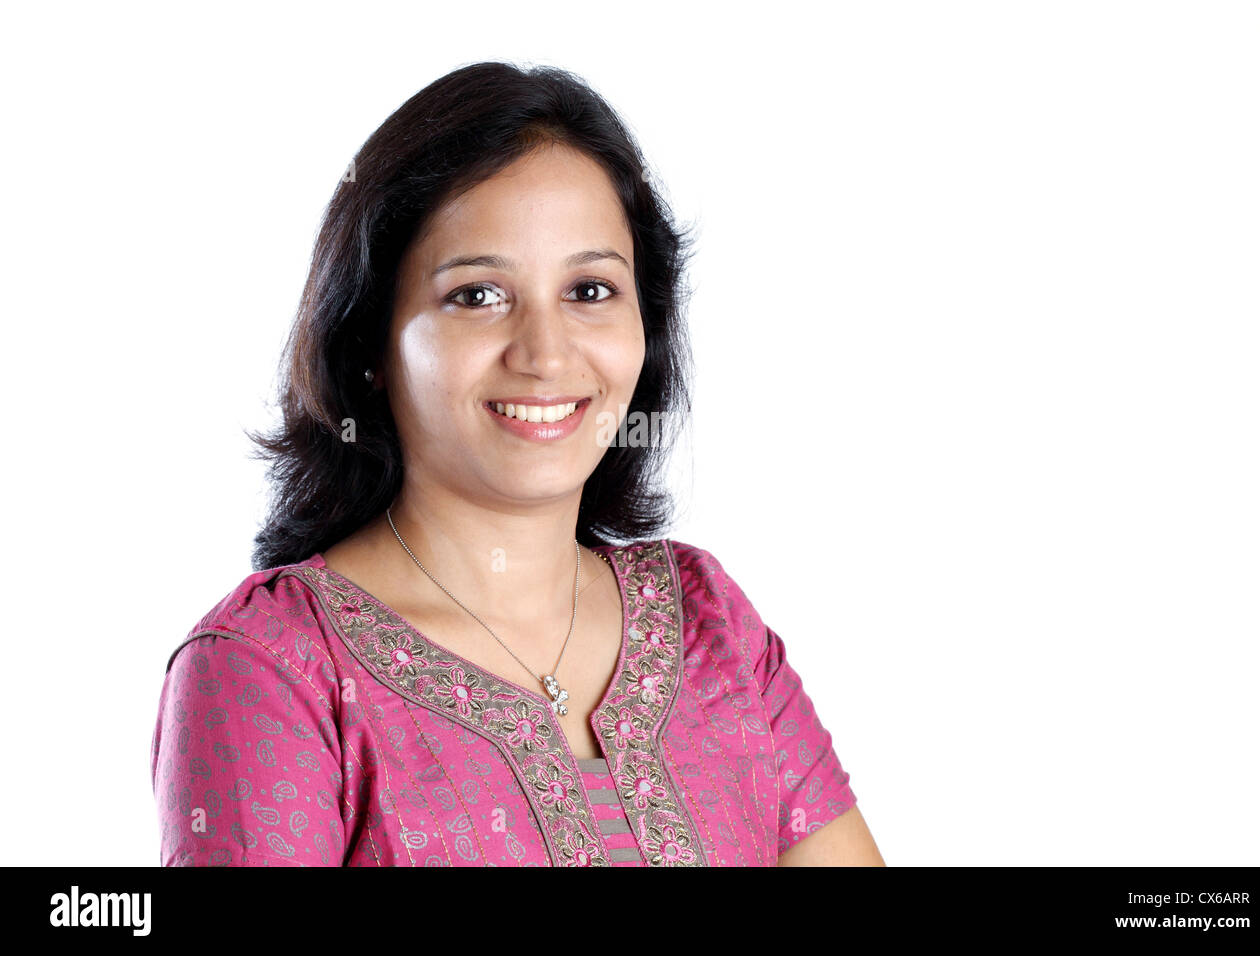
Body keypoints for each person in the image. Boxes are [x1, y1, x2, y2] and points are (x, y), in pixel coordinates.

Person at [150, 61, 886, 867]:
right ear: (370, 345)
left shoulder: (710, 624)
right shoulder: (271, 671)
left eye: (591, 290)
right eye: (477, 295)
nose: (545, 354)